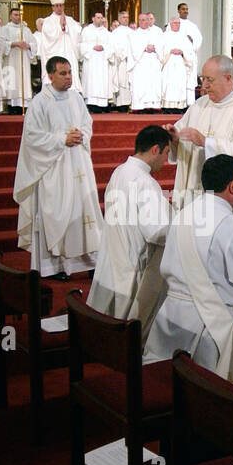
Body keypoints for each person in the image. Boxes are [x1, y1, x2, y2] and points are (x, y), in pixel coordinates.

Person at [143, 154, 233, 391]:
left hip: (169, 319)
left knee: (162, 384)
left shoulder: (182, 215)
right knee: (208, 393)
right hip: (210, 327)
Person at [13, 55, 102, 278]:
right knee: (58, 214)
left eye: (70, 72)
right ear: (50, 75)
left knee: (85, 213)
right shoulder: (39, 102)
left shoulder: (76, 98)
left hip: (79, 164)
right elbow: (32, 137)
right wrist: (62, 139)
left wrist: (82, 134)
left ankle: (90, 262)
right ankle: (56, 266)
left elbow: (86, 123)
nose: (68, 77)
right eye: (63, 73)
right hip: (54, 168)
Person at [167, 55, 233, 235]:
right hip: (195, 194)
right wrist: (174, 137)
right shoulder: (200, 105)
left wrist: (206, 142)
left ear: (229, 78)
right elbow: (181, 130)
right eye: (203, 79)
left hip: (230, 202)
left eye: (209, 80)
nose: (204, 86)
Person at [87, 124, 173, 334]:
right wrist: (180, 227)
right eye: (166, 153)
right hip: (133, 262)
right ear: (155, 149)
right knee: (127, 326)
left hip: (114, 255)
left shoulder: (121, 171)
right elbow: (155, 231)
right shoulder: (145, 182)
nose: (166, 160)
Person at [38, 0, 82, 93]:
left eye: (61, 5)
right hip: (56, 53)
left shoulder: (70, 20)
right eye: (56, 5)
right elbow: (48, 37)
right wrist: (60, 27)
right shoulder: (48, 21)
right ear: (52, 7)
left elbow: (77, 33)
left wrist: (67, 27)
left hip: (69, 54)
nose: (59, 8)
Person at [0, 6, 35, 112]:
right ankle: (11, 106)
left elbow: (34, 44)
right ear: (10, 16)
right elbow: (1, 44)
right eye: (15, 15)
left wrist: (28, 46)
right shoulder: (5, 29)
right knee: (11, 81)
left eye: (19, 15)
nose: (18, 17)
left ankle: (22, 105)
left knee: (22, 81)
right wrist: (14, 44)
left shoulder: (26, 30)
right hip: (11, 60)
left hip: (23, 60)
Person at [130, 13, 164, 112]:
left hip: (153, 61)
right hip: (141, 63)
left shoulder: (155, 33)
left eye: (145, 20)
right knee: (141, 84)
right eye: (140, 20)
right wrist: (145, 47)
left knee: (152, 83)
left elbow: (160, 45)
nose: (143, 22)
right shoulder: (134, 34)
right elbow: (133, 49)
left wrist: (154, 48)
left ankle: (152, 105)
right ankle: (140, 106)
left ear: (148, 21)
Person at [159, 16, 195, 112]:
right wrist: (170, 51)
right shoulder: (164, 36)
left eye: (178, 23)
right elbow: (160, 50)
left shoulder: (183, 36)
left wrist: (182, 52)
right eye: (175, 23)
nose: (177, 25)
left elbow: (190, 51)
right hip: (168, 63)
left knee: (179, 84)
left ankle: (179, 107)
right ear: (170, 24)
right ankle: (167, 107)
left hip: (180, 63)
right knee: (168, 84)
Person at [79, 11, 113, 113]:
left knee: (101, 82)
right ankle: (91, 105)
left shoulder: (106, 32)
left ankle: (102, 105)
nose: (100, 19)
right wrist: (92, 47)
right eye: (98, 17)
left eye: (101, 17)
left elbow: (111, 46)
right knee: (91, 81)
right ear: (93, 18)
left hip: (102, 60)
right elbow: (82, 45)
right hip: (91, 60)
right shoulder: (86, 30)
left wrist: (103, 47)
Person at [109, 9, 134, 108]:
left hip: (131, 61)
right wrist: (124, 55)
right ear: (119, 18)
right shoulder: (115, 33)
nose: (126, 19)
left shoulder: (132, 32)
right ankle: (121, 104)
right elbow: (115, 47)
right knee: (121, 81)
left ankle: (130, 103)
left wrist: (132, 56)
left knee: (130, 81)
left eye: (127, 17)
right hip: (122, 61)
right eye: (123, 17)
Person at [177, 2, 203, 95]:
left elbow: (199, 39)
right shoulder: (173, 24)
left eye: (187, 9)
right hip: (178, 58)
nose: (185, 11)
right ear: (178, 11)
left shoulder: (192, 26)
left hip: (190, 58)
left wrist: (192, 41)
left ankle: (189, 105)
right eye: (183, 9)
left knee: (189, 84)